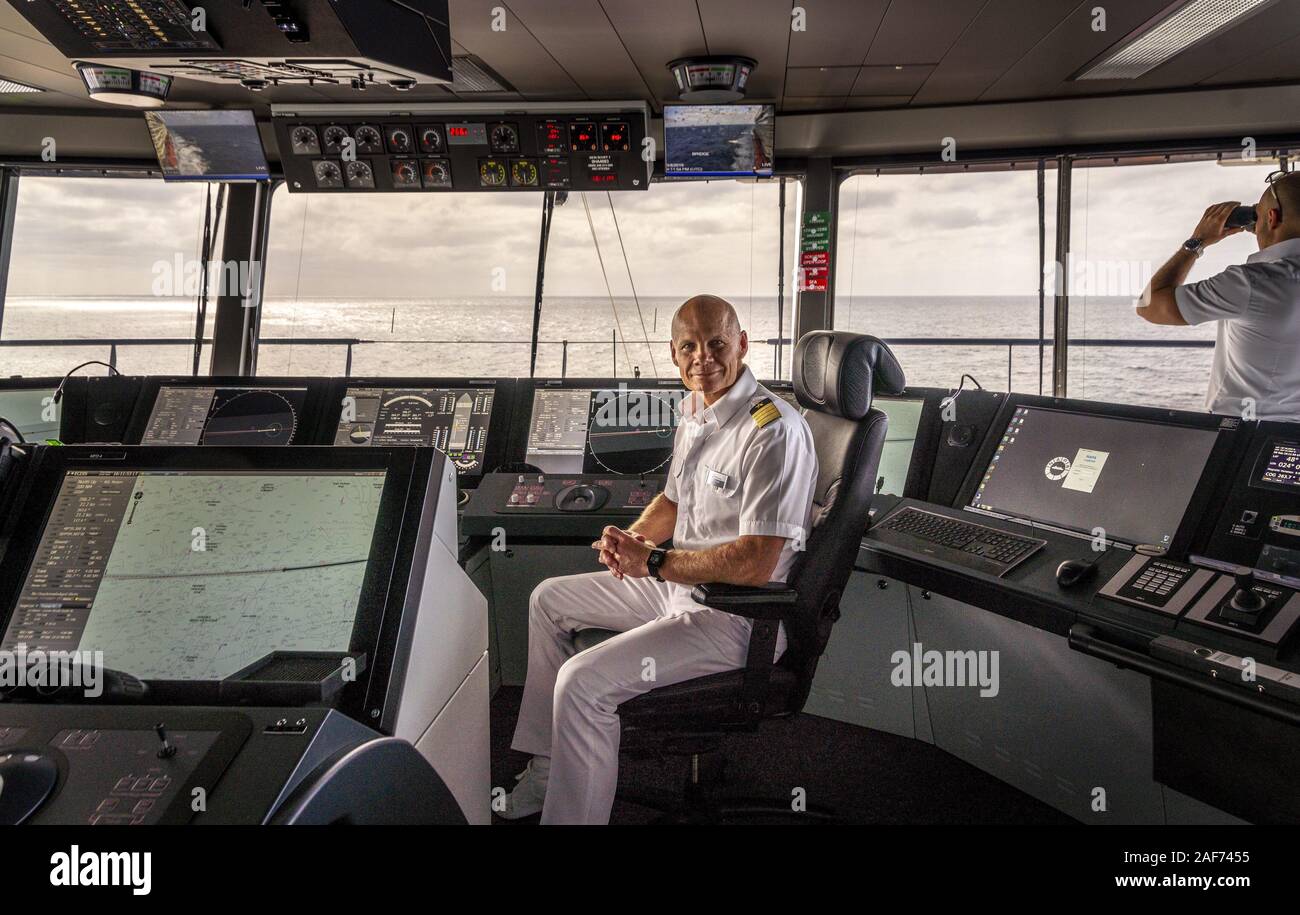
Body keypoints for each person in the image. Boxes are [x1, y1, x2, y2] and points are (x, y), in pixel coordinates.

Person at [500, 294, 818, 824]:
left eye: (717, 343)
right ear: (673, 355)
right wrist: (631, 542)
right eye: (689, 347)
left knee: (582, 684)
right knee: (548, 599)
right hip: (678, 589)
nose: (704, 358)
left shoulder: (773, 430)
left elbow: (758, 563)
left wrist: (653, 564)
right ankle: (548, 769)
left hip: (738, 616)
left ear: (741, 344)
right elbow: (674, 499)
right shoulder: (696, 411)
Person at [1137, 170, 1300, 422]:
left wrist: (1197, 241)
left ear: (1272, 217)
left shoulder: (1250, 283)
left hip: (1245, 432)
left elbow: (1150, 305)